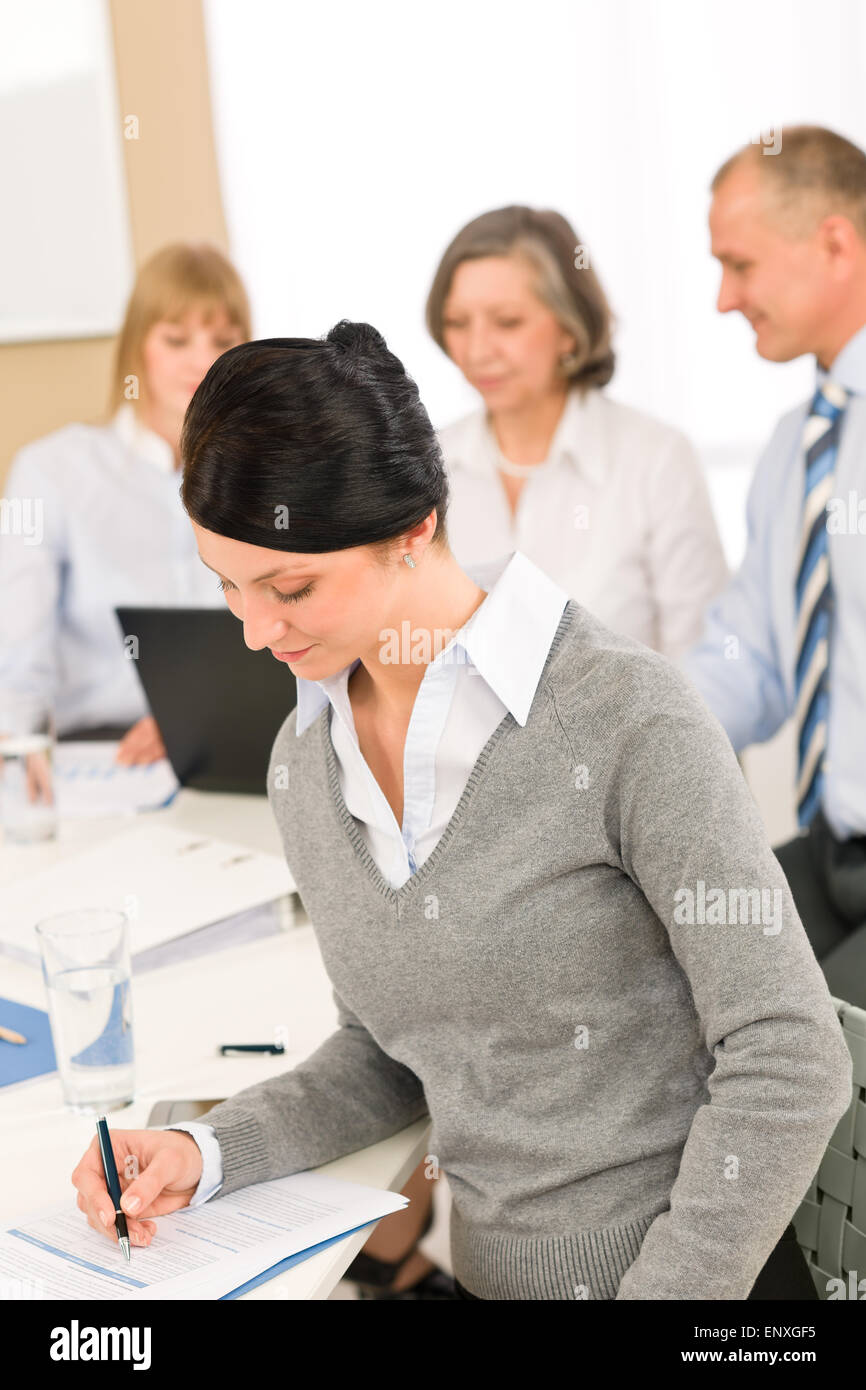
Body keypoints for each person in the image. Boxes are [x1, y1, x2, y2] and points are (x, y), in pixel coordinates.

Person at [71, 322, 852, 1300]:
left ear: (414, 527)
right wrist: (206, 1147)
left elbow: (787, 1055)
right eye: (226, 586)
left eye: (289, 586)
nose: (254, 630)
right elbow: (391, 1053)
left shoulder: (623, 719)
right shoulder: (306, 759)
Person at [680, 125, 866, 1010]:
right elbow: (747, 659)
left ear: (835, 242)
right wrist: (622, 746)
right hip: (833, 850)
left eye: (739, 264)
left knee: (809, 1066)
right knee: (664, 980)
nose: (724, 298)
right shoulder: (797, 448)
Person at [428, 205, 729, 660]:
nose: (476, 350)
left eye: (507, 322)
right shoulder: (422, 466)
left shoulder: (655, 460)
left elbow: (702, 666)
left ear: (569, 330)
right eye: (457, 323)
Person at [0, 242, 251, 764]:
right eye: (177, 339)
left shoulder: (268, 472)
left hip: (233, 740)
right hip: (98, 753)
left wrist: (207, 718)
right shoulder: (51, 470)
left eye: (224, 340)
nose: (202, 360)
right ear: (139, 347)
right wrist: (19, 760)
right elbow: (17, 651)